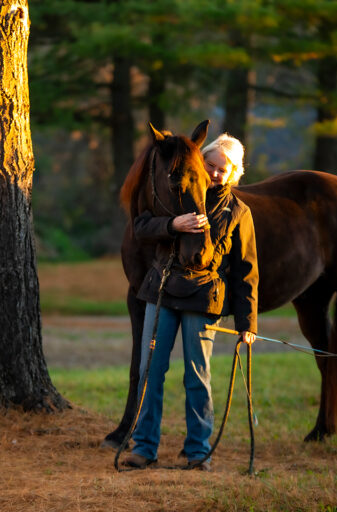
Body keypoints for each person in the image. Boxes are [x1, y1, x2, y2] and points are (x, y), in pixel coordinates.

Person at [123, 133, 258, 470]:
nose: (214, 173)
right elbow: (140, 226)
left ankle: (198, 453)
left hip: (204, 298)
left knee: (197, 376)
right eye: (209, 165)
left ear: (234, 173)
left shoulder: (239, 212)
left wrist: (248, 323)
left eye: (222, 169)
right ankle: (144, 447)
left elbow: (247, 271)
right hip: (162, 289)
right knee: (149, 371)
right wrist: (172, 224)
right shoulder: (178, 190)